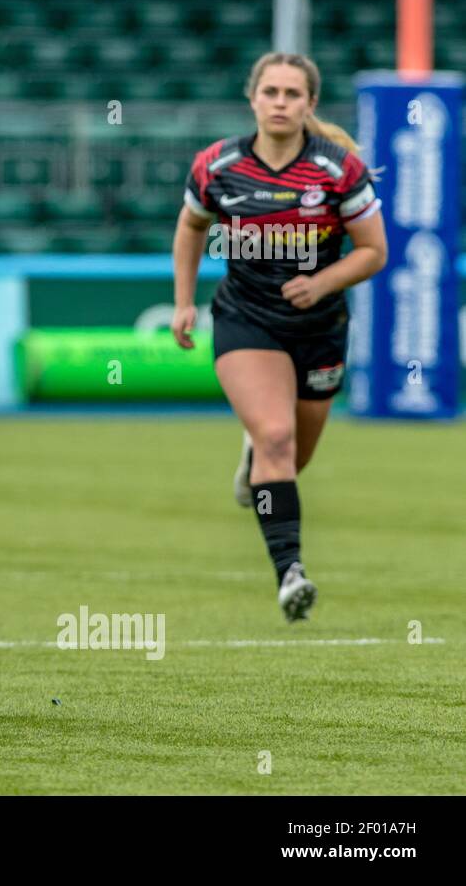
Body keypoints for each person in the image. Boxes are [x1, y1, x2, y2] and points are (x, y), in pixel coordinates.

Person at [170, 52, 387, 621]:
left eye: (293, 94)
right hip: (247, 319)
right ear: (253, 99)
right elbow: (191, 227)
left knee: (293, 455)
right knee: (275, 439)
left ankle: (257, 457)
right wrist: (184, 302)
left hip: (320, 329)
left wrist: (323, 283)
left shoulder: (338, 170)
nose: (281, 103)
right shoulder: (217, 165)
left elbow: (373, 251)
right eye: (271, 92)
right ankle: (290, 572)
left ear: (310, 103)